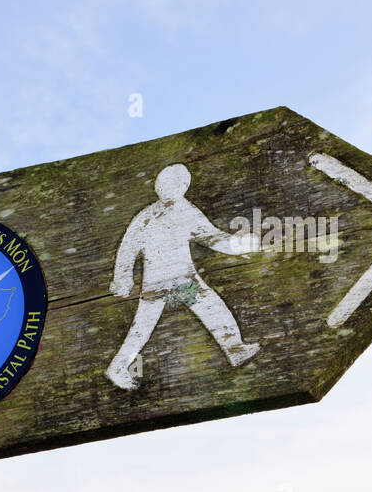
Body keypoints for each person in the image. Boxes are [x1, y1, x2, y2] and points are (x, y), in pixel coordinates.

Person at [106, 163, 260, 390]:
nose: (169, 187)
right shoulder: (174, 212)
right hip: (179, 280)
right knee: (209, 309)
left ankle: (118, 366)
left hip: (167, 281)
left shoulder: (150, 214)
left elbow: (128, 248)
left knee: (145, 326)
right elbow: (213, 238)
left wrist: (123, 279)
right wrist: (241, 245)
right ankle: (234, 349)